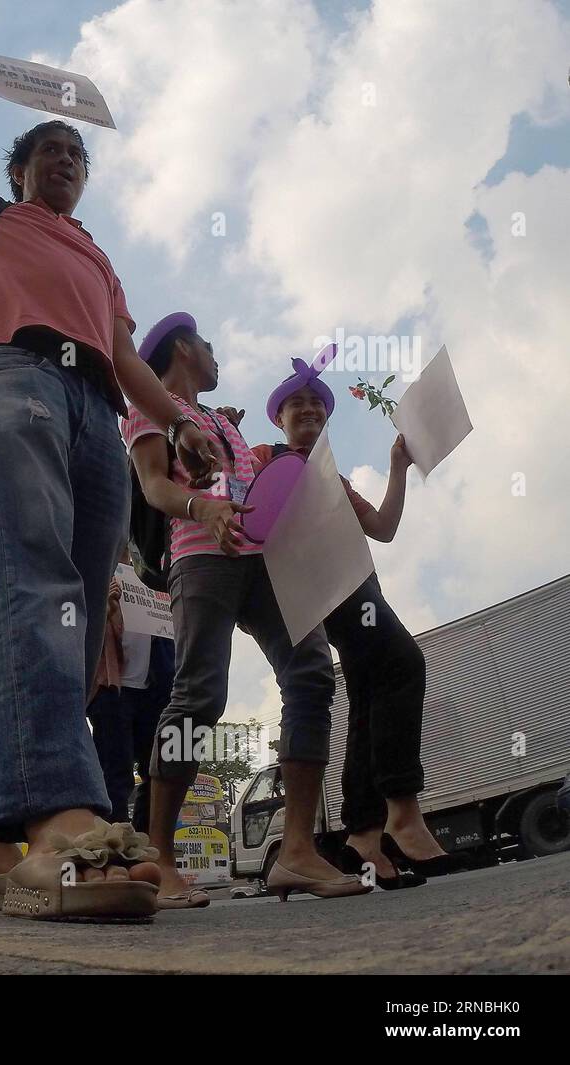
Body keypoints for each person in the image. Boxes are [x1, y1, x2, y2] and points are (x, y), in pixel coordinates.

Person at [0, 58, 218, 921]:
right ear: (19, 170)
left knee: (77, 623)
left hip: (96, 410)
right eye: (49, 149)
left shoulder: (102, 261)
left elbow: (120, 356)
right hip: (10, 375)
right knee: (31, 577)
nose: (66, 160)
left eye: (77, 153)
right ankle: (56, 826)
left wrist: (181, 422)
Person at [126, 312, 368, 904]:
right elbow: (155, 485)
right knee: (199, 695)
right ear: (184, 349)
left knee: (311, 670)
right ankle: (159, 860)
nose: (216, 355)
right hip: (200, 556)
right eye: (207, 345)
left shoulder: (219, 422)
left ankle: (297, 853)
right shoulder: (150, 409)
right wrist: (203, 510)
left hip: (263, 560)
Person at [254, 352, 456, 882]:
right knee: (403, 661)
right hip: (327, 589)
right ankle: (402, 811)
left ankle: (363, 834)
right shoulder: (265, 457)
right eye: (297, 403)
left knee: (368, 694)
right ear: (278, 416)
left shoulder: (336, 479)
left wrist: (398, 467)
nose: (309, 411)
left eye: (316, 404)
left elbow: (384, 528)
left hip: (362, 583)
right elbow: (242, 505)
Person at [87, 550, 176, 834]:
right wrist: (106, 607)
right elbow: (82, 633)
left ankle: (146, 845)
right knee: (115, 771)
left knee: (158, 770)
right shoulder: (96, 577)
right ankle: (113, 842)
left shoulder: (156, 575)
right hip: (113, 689)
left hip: (155, 691)